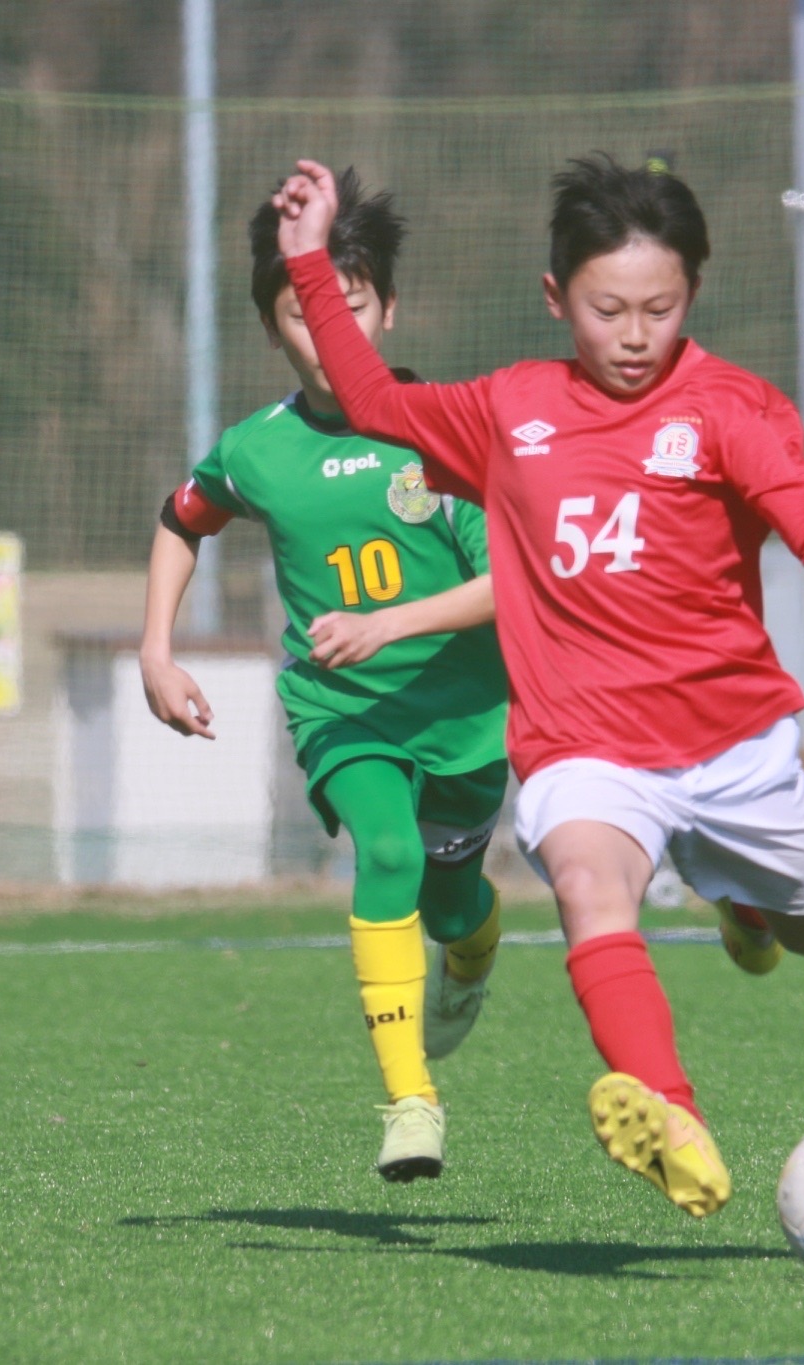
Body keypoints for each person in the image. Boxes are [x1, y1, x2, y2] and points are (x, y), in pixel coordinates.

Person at [275, 153, 804, 1219]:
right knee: (586, 885)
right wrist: (307, 263)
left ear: (692, 298)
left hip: (730, 744)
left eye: (658, 309)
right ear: (554, 297)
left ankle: (750, 905)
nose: (632, 335)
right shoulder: (510, 408)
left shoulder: (731, 407)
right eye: (606, 308)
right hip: (582, 743)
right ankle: (672, 1118)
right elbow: (374, 399)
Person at [141, 169, 510, 1183]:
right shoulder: (256, 451)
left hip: (468, 722)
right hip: (340, 711)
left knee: (449, 903)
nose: (321, 331)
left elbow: (508, 586)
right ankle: (408, 1104)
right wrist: (154, 650)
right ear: (272, 332)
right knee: (384, 851)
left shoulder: (447, 431)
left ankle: (473, 949)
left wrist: (387, 626)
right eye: (299, 315)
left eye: (343, 309)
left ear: (386, 312)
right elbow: (183, 520)